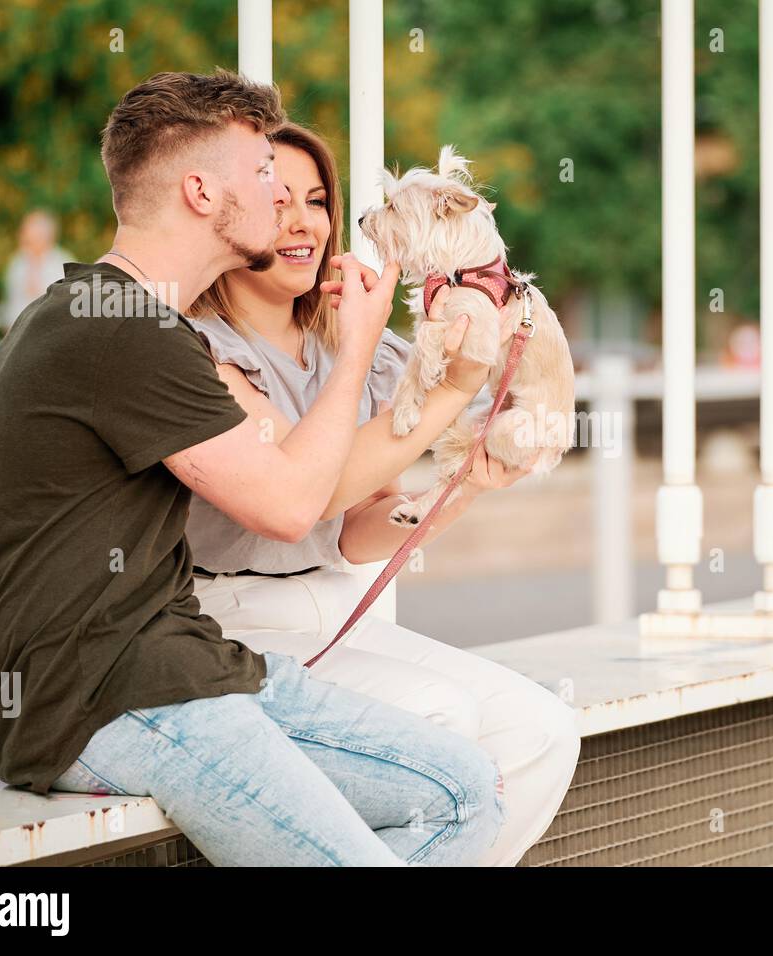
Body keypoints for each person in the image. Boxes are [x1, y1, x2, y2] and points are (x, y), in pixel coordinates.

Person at [0, 70, 506, 866]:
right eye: (262, 176)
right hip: (108, 700)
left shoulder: (130, 320)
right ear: (200, 192)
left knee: (463, 788)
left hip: (186, 669)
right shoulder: (115, 327)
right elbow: (290, 508)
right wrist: (359, 347)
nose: (283, 200)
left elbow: (300, 479)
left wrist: (455, 401)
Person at [184, 121, 582, 868]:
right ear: (231, 220)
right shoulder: (202, 349)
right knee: (442, 719)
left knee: (543, 730)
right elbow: (308, 493)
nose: (303, 221)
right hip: (231, 621)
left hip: (336, 605)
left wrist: (458, 487)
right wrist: (451, 384)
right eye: (278, 201)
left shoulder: (364, 345)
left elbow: (357, 526)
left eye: (317, 201)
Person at [2, 209, 72, 326]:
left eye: (25, 230)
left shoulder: (64, 264)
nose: (21, 235)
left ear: (44, 235)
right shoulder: (17, 262)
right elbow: (12, 306)